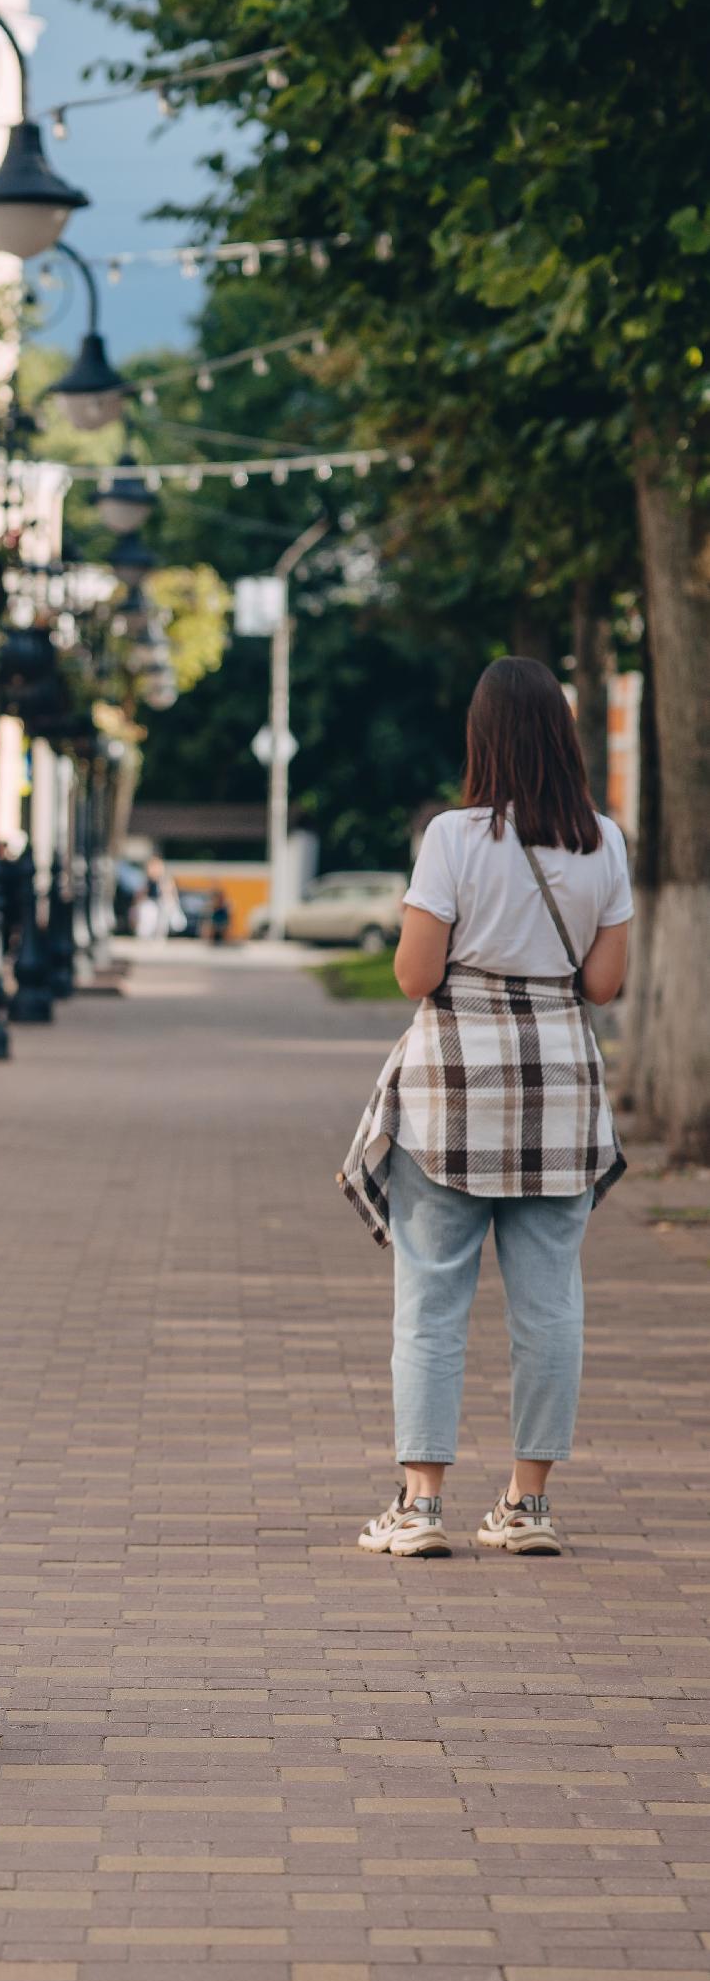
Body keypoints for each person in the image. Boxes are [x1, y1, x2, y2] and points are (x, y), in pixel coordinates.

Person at [340, 657, 632, 1561]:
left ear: (481, 738)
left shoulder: (453, 838)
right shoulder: (603, 843)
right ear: (562, 737)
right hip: (558, 1089)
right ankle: (527, 1506)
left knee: (431, 1301)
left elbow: (414, 975)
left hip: (456, 1089)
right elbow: (605, 984)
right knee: (550, 1307)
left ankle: (420, 1506)